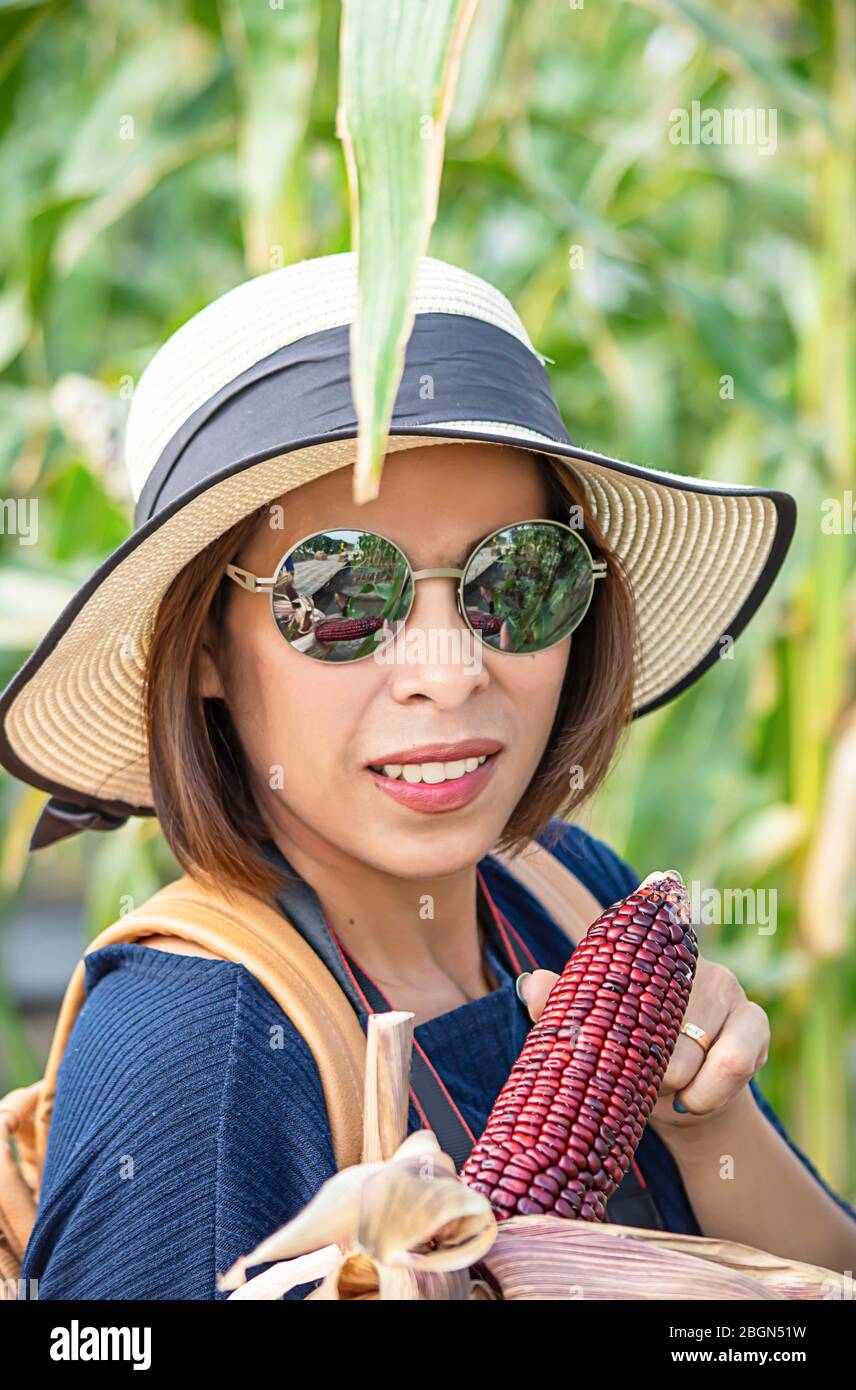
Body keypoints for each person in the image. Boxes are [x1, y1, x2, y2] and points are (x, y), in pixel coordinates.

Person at [2, 253, 853, 1301]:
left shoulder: (562, 891)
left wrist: (705, 1120)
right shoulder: (196, 1055)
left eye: (519, 577)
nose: (449, 675)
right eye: (343, 595)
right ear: (208, 650)